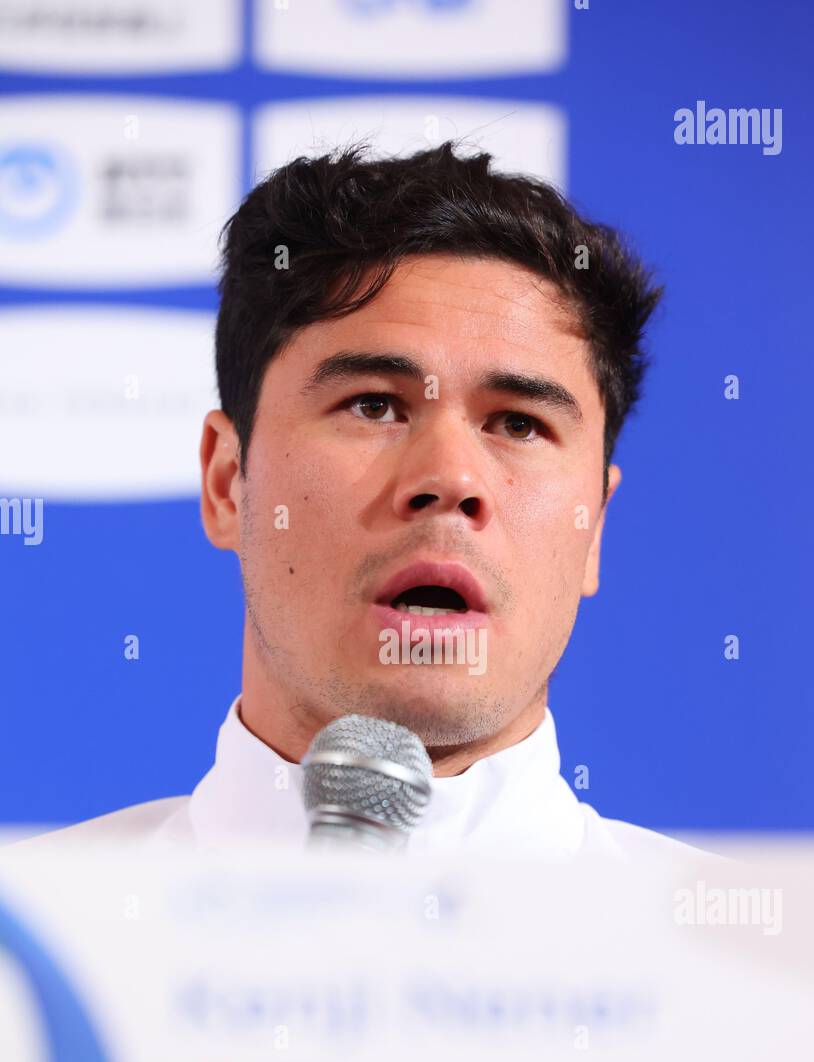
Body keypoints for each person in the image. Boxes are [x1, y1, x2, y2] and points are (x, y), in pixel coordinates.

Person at [5, 141, 704, 864]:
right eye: (373, 406)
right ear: (226, 482)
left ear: (594, 528)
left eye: (519, 424)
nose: (450, 479)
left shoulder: (763, 967)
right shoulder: (29, 948)